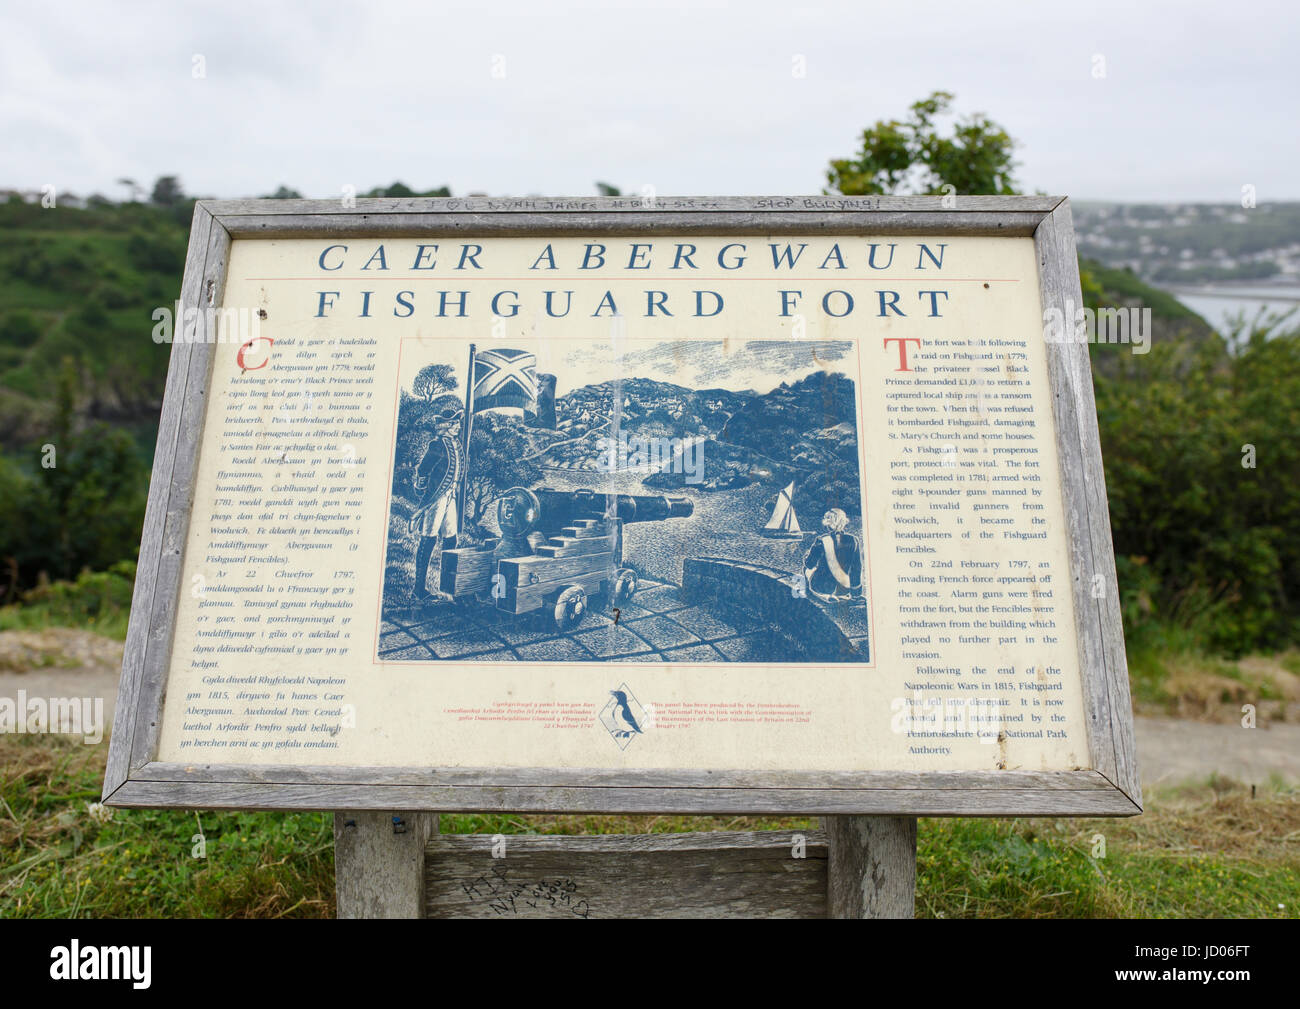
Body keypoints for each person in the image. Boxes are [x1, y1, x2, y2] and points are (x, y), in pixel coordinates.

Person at [410, 408, 464, 601]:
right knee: (429, 538)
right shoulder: (437, 445)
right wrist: (421, 489)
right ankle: (418, 589)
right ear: (446, 426)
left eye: (458, 423)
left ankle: (448, 587)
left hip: (451, 496)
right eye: (454, 423)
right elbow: (423, 470)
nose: (458, 426)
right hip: (436, 497)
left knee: (451, 539)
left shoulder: (456, 445)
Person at [802, 508, 863, 602]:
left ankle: (821, 594)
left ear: (827, 524)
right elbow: (857, 568)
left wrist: (806, 557)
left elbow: (809, 564)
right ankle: (845, 595)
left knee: (806, 569)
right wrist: (856, 592)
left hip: (823, 586)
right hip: (844, 588)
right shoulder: (854, 540)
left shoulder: (821, 540)